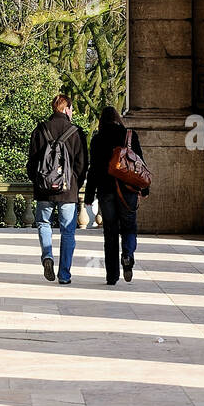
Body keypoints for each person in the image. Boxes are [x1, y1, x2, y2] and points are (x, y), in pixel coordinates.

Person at [26, 93, 88, 286]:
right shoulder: (76, 132)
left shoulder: (40, 130)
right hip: (68, 190)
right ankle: (64, 275)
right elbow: (82, 164)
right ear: (66, 109)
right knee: (67, 232)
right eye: (71, 109)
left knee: (44, 223)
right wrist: (74, 182)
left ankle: (47, 257)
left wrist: (39, 181)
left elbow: (32, 163)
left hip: (44, 188)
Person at [85, 106, 149, 286]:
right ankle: (127, 255)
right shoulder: (129, 135)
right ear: (118, 118)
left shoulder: (98, 139)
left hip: (106, 191)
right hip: (127, 189)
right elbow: (140, 164)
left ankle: (112, 276)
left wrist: (89, 195)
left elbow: (94, 170)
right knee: (129, 227)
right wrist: (144, 189)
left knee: (110, 233)